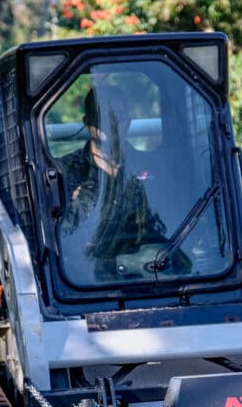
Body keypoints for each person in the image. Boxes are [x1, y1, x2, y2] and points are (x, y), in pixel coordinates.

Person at [57, 86, 186, 282]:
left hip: (152, 274)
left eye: (119, 116)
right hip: (90, 282)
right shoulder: (66, 172)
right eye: (104, 118)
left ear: (129, 119)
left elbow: (172, 217)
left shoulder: (151, 167)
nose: (114, 125)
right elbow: (64, 244)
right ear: (87, 123)